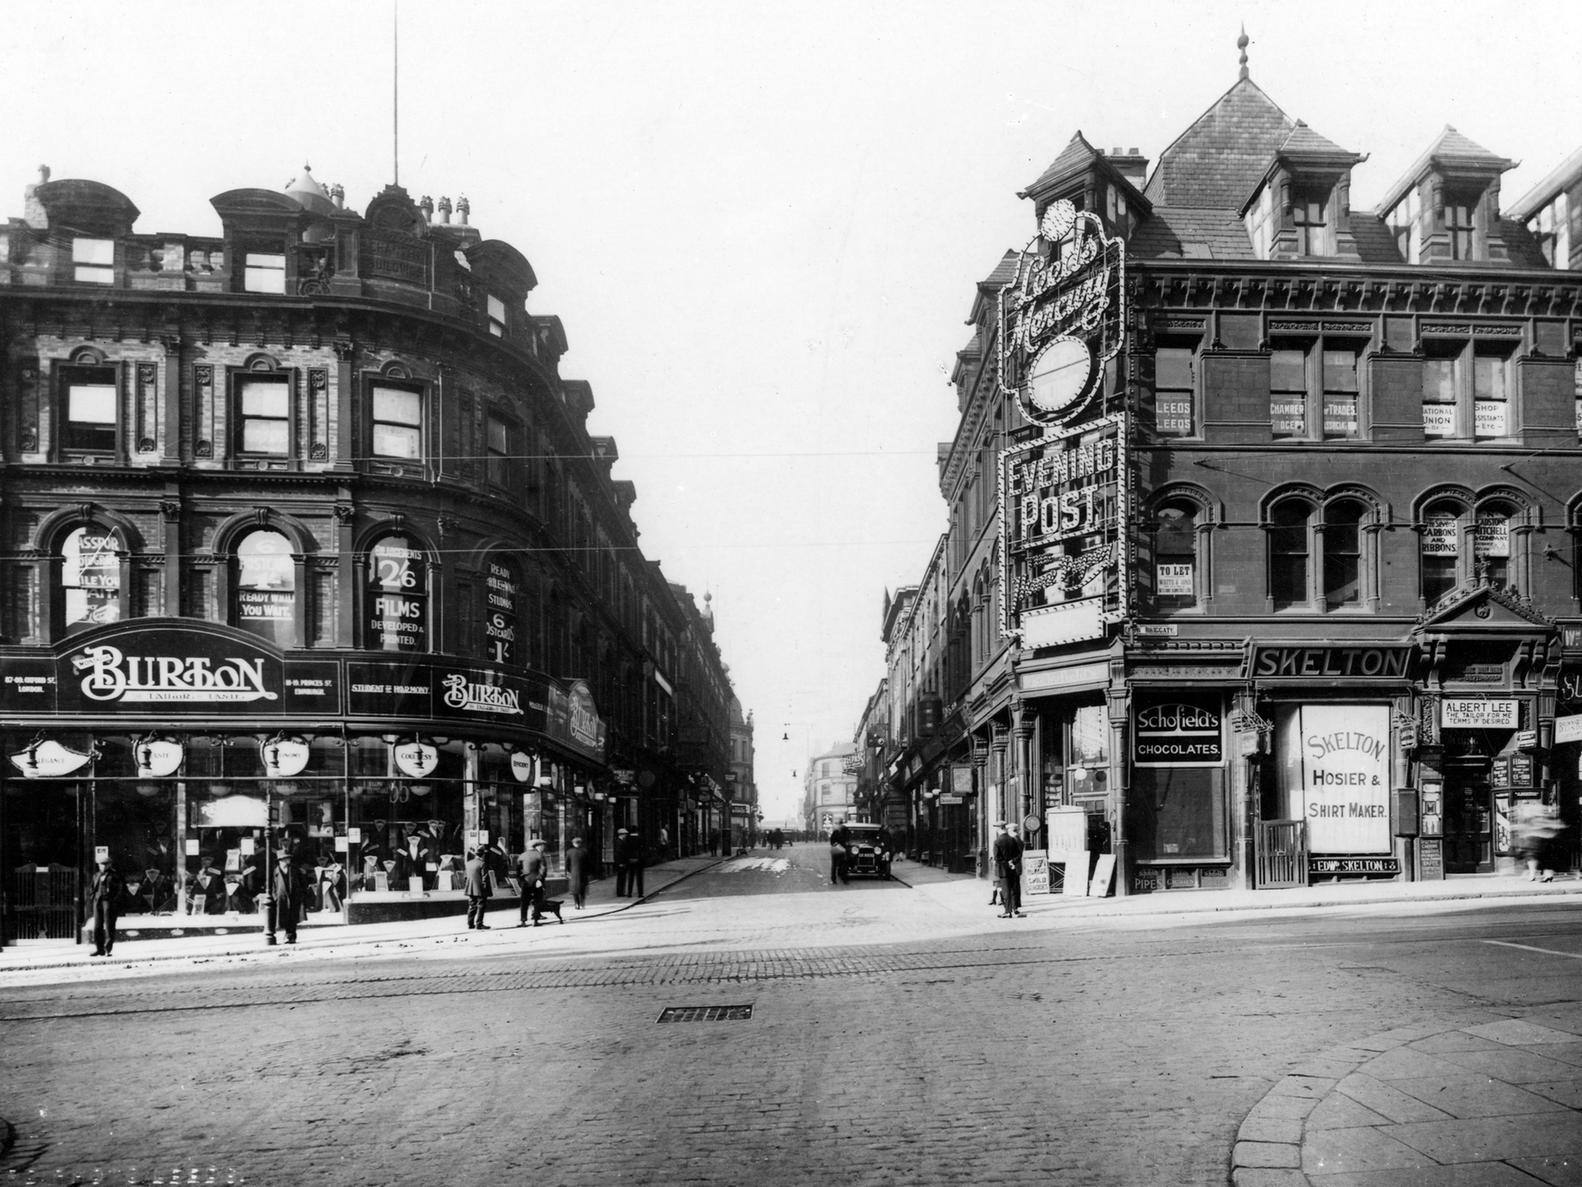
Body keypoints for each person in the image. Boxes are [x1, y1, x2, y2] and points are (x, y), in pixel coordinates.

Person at [86, 854, 124, 957]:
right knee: (97, 926)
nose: (101, 866)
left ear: (109, 865)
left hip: (109, 902)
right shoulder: (96, 875)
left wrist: (114, 900)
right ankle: (99, 949)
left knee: (109, 926)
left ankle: (108, 949)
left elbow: (120, 890)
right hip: (98, 902)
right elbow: (92, 888)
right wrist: (93, 897)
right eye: (100, 864)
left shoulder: (115, 875)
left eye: (104, 864)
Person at [268, 847, 307, 944]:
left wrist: (301, 894)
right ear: (280, 861)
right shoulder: (276, 871)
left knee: (293, 917)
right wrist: (275, 896)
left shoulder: (294, 869)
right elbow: (273, 885)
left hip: (294, 896)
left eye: (288, 858)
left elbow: (303, 882)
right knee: (284, 917)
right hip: (282, 898)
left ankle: (291, 936)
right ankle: (287, 934)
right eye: (285, 859)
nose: (287, 861)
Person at [992, 821, 1025, 918]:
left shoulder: (997, 842)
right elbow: (1019, 854)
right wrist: (1012, 862)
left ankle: (1007, 911)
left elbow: (997, 858)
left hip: (1003, 870)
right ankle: (1015, 909)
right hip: (1013, 869)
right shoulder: (1012, 839)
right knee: (1013, 889)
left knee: (1006, 891)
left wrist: (1006, 863)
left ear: (998, 829)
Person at [517, 838, 548, 926]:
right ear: (535, 846)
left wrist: (521, 880)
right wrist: (540, 879)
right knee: (537, 900)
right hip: (536, 881)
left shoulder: (522, 856)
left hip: (525, 882)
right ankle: (535, 920)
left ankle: (523, 921)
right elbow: (543, 869)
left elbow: (518, 870)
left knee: (524, 901)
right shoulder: (539, 855)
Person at [463, 845, 492, 929]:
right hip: (480, 888)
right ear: (483, 854)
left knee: (472, 905)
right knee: (481, 905)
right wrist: (486, 889)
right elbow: (485, 877)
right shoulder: (482, 863)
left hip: (470, 887)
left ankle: (470, 923)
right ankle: (479, 923)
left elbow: (465, 877)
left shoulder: (469, 863)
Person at [566, 836, 590, 910]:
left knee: (574, 889)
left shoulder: (569, 852)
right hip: (583, 873)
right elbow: (588, 863)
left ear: (573, 844)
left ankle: (576, 903)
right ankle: (582, 903)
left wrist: (568, 872)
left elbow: (567, 863)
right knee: (582, 888)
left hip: (573, 873)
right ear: (580, 843)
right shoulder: (584, 851)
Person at [621, 828, 645, 897]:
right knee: (639, 878)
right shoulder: (640, 838)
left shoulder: (627, 839)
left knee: (630, 877)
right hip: (639, 860)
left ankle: (629, 893)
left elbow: (625, 849)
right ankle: (640, 893)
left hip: (630, 860)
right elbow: (643, 849)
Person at [829, 818, 852, 885]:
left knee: (835, 865)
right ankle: (844, 879)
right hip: (842, 849)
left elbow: (832, 841)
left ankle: (834, 879)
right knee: (843, 864)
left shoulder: (836, 830)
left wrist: (835, 844)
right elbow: (848, 838)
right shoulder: (845, 830)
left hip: (836, 849)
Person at [614, 828, 630, 896]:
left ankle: (621, 891)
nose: (625, 835)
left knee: (622, 877)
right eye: (625, 834)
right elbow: (618, 853)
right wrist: (620, 862)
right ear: (621, 834)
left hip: (623, 862)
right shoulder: (618, 842)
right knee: (621, 877)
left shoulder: (622, 841)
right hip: (621, 862)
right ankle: (620, 892)